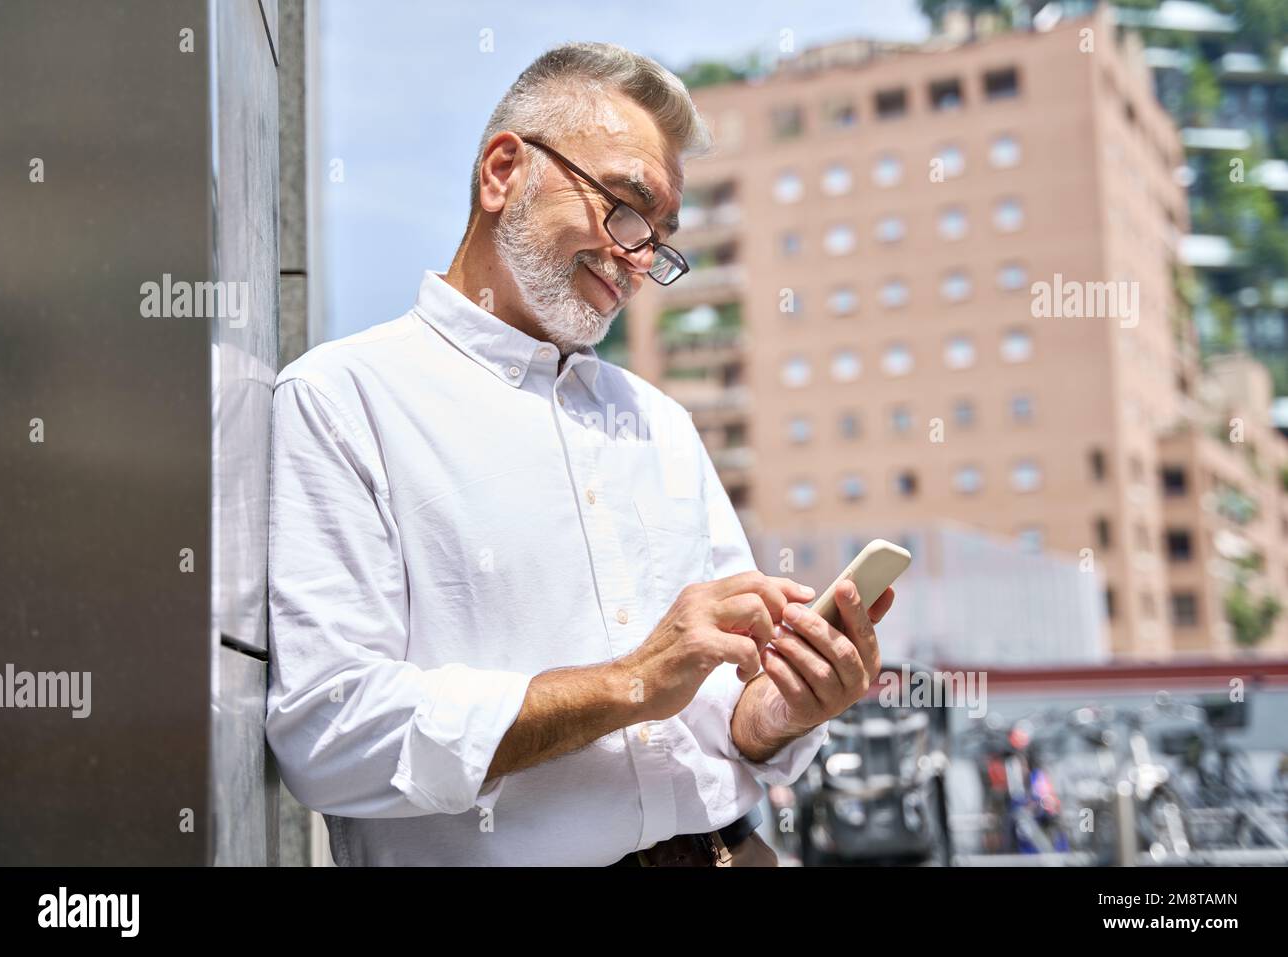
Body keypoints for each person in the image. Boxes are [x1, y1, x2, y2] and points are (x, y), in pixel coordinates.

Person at [265, 41, 894, 866]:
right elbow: (330, 732)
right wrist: (627, 681)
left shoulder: (661, 423)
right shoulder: (343, 399)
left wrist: (784, 709)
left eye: (660, 238)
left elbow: (716, 717)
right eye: (623, 208)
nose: (638, 261)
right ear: (503, 172)